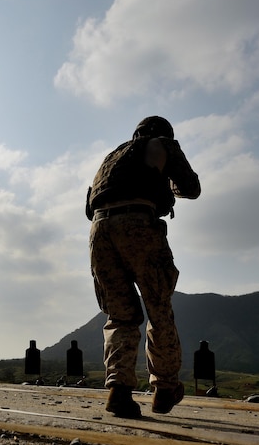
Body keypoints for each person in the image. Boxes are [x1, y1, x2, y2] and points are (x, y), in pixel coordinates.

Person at [85, 115, 201, 418]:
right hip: (138, 225)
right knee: (159, 307)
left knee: (120, 316)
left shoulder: (112, 157)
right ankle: (164, 388)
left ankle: (119, 391)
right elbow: (191, 187)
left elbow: (89, 205)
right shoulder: (161, 145)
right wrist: (168, 181)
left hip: (99, 231)